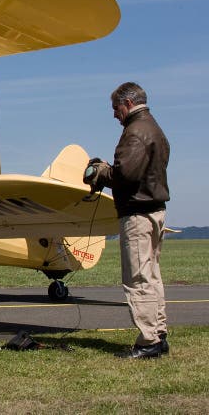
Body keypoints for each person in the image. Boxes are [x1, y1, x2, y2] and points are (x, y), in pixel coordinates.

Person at [83, 82, 170, 359]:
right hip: (155, 210)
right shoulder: (153, 128)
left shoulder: (135, 132)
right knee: (152, 276)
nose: (114, 114)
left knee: (138, 279)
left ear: (128, 103)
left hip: (138, 215)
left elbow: (125, 175)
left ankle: (148, 342)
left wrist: (100, 172)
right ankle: (159, 335)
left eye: (115, 108)